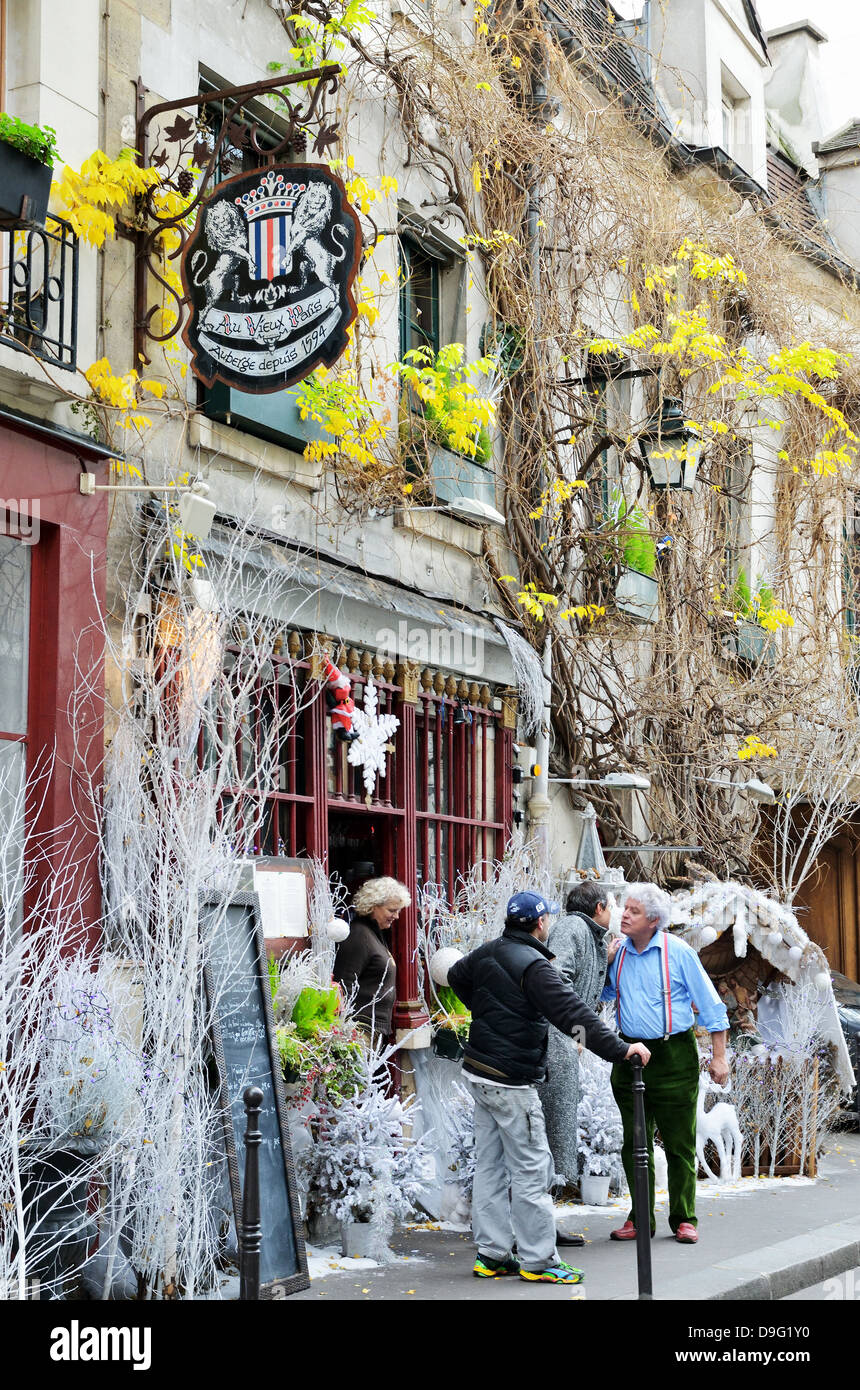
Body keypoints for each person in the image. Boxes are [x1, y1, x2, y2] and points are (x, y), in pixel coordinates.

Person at [447, 890, 650, 1285]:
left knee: (489, 1168)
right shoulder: (535, 967)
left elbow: (455, 976)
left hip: (479, 1073)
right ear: (540, 923)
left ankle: (491, 1254)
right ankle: (539, 1260)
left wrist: (491, 1011)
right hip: (511, 1082)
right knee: (531, 1170)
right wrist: (621, 1050)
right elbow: (572, 1016)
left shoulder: (489, 951)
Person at [602, 882, 730, 1246]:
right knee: (634, 1143)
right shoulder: (618, 953)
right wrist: (603, 965)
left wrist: (719, 1057)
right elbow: (602, 996)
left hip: (674, 1056)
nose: (624, 914)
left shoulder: (678, 952)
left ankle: (684, 1218)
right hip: (629, 1056)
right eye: (625, 908)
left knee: (679, 1144)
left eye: (634, 911)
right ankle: (640, 1218)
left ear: (653, 920)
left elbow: (712, 1007)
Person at [538, 879, 615, 1236]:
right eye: (612, 906)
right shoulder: (572, 927)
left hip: (563, 1041)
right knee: (550, 1132)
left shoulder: (587, 934)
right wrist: (575, 1034)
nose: (613, 914)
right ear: (599, 908)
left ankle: (544, 1223)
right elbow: (558, 980)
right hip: (553, 1043)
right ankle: (538, 1228)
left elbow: (584, 991)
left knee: (556, 1131)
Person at [333, 876, 410, 1042]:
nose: (396, 916)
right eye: (392, 910)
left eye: (398, 910)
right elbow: (343, 982)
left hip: (371, 1028)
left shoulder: (374, 934)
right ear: (373, 906)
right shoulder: (359, 934)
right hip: (359, 1029)